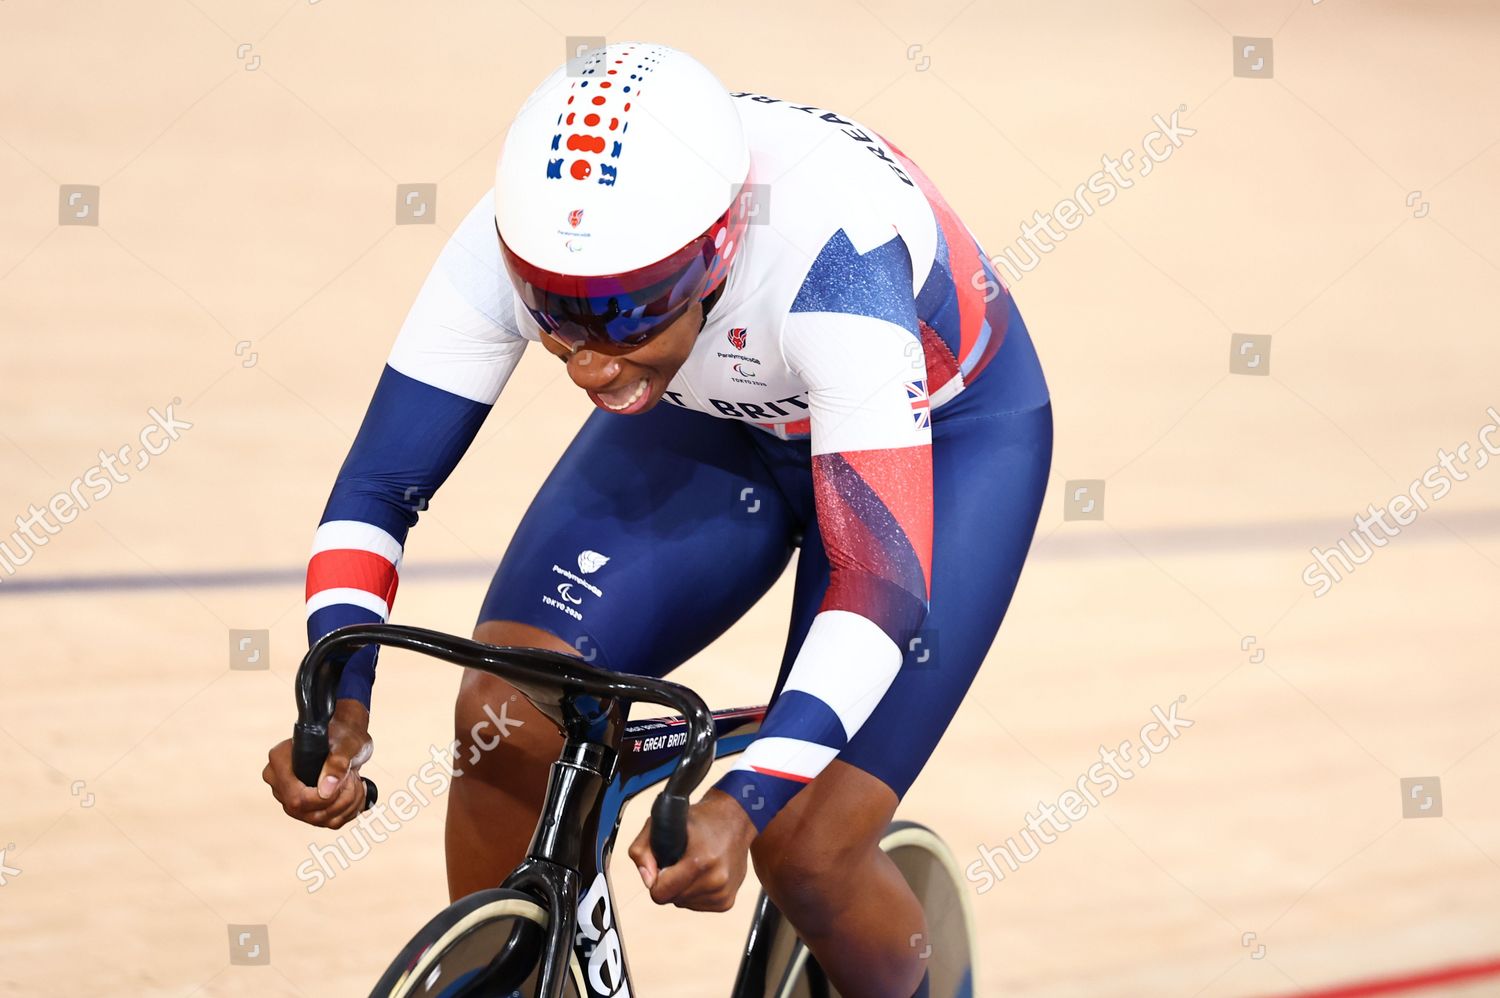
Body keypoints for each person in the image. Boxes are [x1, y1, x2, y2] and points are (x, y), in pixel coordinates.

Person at [263, 41, 1051, 997]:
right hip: (719, 420)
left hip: (950, 441)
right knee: (507, 722)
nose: (590, 367)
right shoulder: (527, 237)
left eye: (628, 317)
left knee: (807, 846)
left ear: (715, 256)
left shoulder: (835, 261)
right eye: (557, 322)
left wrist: (751, 796)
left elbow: (877, 586)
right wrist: (341, 698)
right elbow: (378, 491)